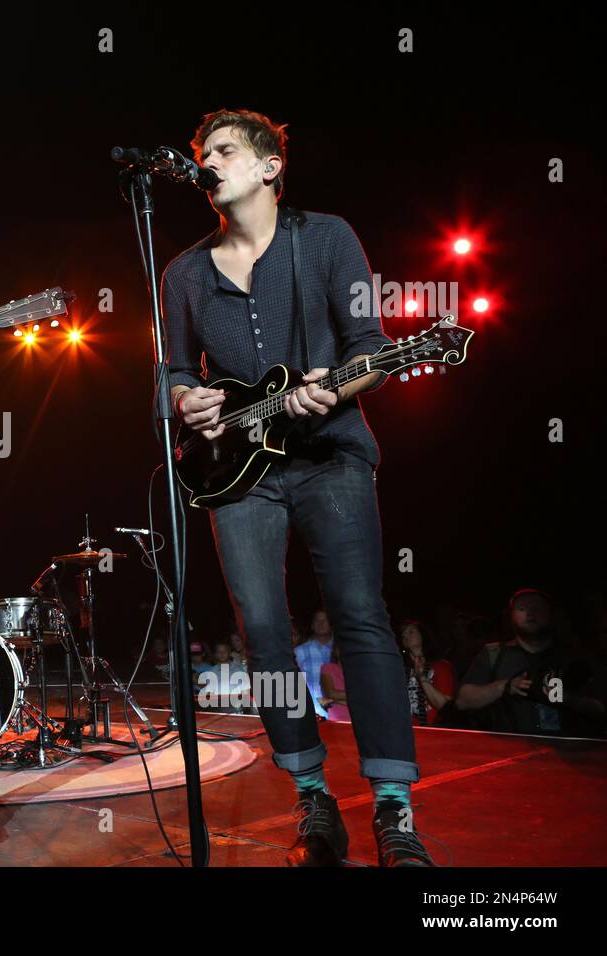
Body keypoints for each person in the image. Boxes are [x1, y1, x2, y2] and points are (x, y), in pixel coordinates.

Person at [164, 109, 431, 866]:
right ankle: (310, 795)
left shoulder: (327, 238)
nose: (208, 161)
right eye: (202, 152)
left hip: (330, 457)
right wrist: (187, 400)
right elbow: (174, 372)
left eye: (224, 150)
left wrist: (338, 391)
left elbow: (373, 350)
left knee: (359, 617)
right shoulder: (182, 271)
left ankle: (393, 807)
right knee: (263, 632)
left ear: (269, 167)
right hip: (237, 471)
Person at [455, 590, 606, 738]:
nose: (530, 613)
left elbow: (600, 708)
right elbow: (462, 701)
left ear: (550, 613)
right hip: (507, 754)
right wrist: (505, 686)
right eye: (522, 608)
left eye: (537, 608)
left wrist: (570, 700)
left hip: (566, 755)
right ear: (511, 615)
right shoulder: (493, 653)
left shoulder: (574, 656)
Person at [398, 619, 455, 726]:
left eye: (411, 632)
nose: (406, 636)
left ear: (423, 635)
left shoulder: (441, 666)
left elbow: (444, 706)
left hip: (432, 731)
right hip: (403, 729)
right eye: (403, 635)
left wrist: (422, 678)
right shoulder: (399, 668)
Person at [294, 609, 335, 719]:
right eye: (317, 620)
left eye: (325, 620)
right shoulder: (300, 651)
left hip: (343, 711)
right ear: (312, 625)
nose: (321, 623)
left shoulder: (341, 649)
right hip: (314, 713)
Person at [319, 641, 350, 722]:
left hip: (362, 721)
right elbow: (330, 694)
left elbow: (369, 696)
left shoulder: (363, 670)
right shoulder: (328, 668)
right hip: (337, 721)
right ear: (335, 650)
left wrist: (335, 700)